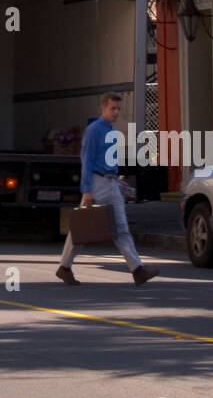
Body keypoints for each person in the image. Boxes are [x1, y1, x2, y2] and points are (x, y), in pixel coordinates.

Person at [56, 92, 159, 287]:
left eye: (118, 109)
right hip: (97, 184)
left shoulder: (111, 130)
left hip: (110, 182)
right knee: (82, 228)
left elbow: (108, 160)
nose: (116, 112)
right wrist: (87, 190)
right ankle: (64, 267)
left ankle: (137, 269)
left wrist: (118, 182)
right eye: (112, 108)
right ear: (103, 109)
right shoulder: (94, 130)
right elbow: (86, 160)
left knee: (121, 227)